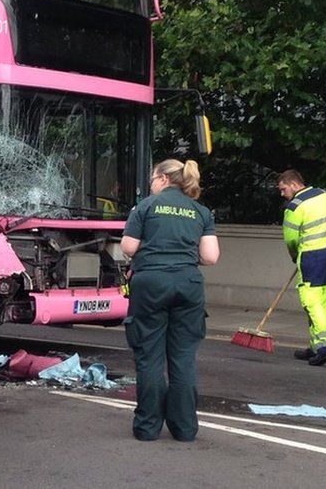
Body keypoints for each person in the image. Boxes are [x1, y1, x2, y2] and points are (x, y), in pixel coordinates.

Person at [121, 159, 220, 442]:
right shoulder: (201, 211)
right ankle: (185, 428)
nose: (151, 183)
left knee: (150, 355)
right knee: (183, 357)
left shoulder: (145, 207)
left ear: (163, 178)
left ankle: (148, 428)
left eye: (152, 178)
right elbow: (211, 257)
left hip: (150, 283)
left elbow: (128, 247)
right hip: (188, 284)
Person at [276, 169, 326, 366]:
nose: (282, 193)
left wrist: (295, 257)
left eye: (283, 188)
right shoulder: (324, 195)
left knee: (311, 302)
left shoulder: (294, 207)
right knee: (324, 301)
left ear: (294, 185)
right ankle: (315, 346)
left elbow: (291, 239)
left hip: (310, 258)